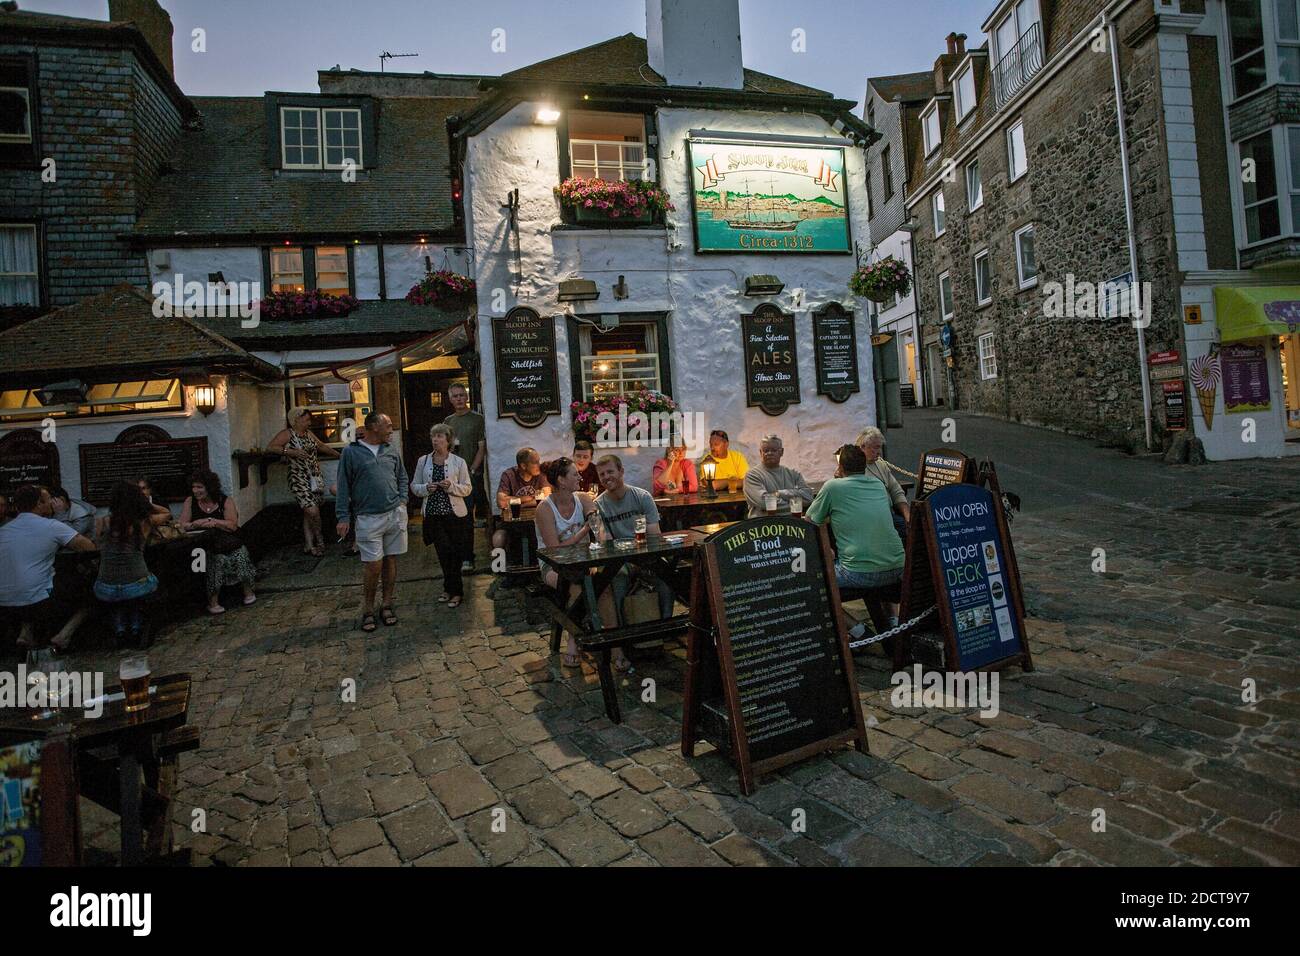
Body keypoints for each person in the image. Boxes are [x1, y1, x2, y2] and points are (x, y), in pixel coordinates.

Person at [807, 444, 906, 631]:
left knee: (811, 582)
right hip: (897, 567)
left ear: (840, 468)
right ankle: (892, 622)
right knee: (875, 553)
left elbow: (810, 521)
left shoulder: (832, 487)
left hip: (857, 573)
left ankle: (859, 632)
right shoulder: (877, 485)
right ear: (864, 466)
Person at [534, 457, 619, 669]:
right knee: (574, 586)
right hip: (553, 566)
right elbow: (554, 550)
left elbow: (597, 524)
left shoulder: (582, 498)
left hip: (583, 561)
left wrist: (600, 533)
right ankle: (573, 641)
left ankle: (617, 648)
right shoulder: (545, 509)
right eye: (574, 474)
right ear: (561, 481)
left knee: (603, 586)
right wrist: (584, 531)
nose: (579, 477)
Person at [335, 411, 409, 632]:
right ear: (374, 427)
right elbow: (343, 485)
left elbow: (402, 476)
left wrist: (402, 501)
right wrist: (342, 516)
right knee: (373, 565)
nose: (391, 429)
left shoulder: (391, 450)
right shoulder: (351, 452)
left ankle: (386, 604)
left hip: (394, 514)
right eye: (388, 425)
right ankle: (368, 608)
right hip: (368, 516)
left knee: (390, 561)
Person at [0, 485, 95, 651]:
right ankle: (64, 635)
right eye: (48, 500)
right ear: (39, 503)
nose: (52, 503)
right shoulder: (51, 526)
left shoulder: (5, 530)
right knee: (92, 591)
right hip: (38, 602)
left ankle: (26, 632)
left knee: (35, 578)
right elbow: (89, 547)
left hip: (5, 603)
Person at [594, 455, 674, 648]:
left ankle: (663, 630)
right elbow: (606, 543)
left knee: (667, 580)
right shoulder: (598, 505)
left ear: (621, 471)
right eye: (602, 474)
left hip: (646, 555)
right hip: (620, 559)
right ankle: (625, 636)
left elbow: (655, 535)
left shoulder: (642, 497)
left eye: (610, 471)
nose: (606, 477)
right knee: (617, 580)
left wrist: (644, 559)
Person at [411, 423, 473, 609]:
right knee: (443, 551)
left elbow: (467, 488)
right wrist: (425, 489)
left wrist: (451, 487)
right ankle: (451, 589)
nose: (436, 440)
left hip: (454, 514)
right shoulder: (423, 461)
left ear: (448, 440)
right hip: (433, 514)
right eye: (433, 436)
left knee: (454, 552)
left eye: (440, 436)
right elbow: (415, 486)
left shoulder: (458, 462)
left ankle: (454, 591)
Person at [181, 470, 257, 615]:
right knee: (215, 560)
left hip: (227, 542)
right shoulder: (190, 502)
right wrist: (195, 524)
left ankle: (248, 591)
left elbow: (232, 525)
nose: (195, 491)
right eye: (193, 487)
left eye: (199, 487)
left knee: (240, 554)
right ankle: (213, 602)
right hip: (205, 545)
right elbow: (182, 524)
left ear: (209, 487)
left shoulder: (225, 501)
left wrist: (213, 521)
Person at [94, 480, 160, 646]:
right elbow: (166, 513)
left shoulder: (102, 522)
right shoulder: (143, 523)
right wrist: (147, 504)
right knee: (145, 584)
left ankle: (120, 628)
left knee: (119, 595)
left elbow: (97, 545)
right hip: (136, 584)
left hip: (105, 587)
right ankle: (136, 627)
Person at [269, 406, 341, 556]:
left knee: (309, 513)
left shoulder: (308, 434)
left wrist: (340, 455)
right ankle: (320, 540)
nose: (309, 422)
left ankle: (309, 544)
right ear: (296, 419)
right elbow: (271, 447)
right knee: (312, 510)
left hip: (314, 477)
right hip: (298, 477)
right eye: (306, 419)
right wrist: (291, 452)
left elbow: (321, 446)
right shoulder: (287, 434)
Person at [444, 383, 487, 533]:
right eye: (455, 396)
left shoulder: (478, 419)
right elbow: (445, 449)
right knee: (454, 515)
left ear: (467, 396)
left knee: (468, 514)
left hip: (471, 474)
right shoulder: (448, 421)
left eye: (461, 395)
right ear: (451, 399)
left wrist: (472, 470)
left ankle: (468, 553)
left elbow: (482, 448)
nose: (459, 399)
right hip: (453, 475)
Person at [491, 447, 551, 552]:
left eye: (538, 461)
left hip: (537, 519)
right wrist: (528, 498)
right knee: (498, 538)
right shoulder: (509, 475)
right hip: (513, 521)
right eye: (535, 462)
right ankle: (502, 566)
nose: (539, 465)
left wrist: (520, 504)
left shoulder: (540, 473)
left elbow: (547, 497)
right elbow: (501, 502)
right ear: (523, 466)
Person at [742, 434, 814, 518]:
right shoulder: (752, 475)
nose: (769, 453)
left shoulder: (793, 473)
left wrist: (780, 493)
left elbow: (808, 497)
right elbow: (764, 502)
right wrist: (795, 504)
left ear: (782, 452)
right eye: (765, 450)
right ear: (760, 452)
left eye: (773, 450)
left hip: (792, 525)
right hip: (763, 526)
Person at [856, 426, 910, 532]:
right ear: (863, 447)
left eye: (880, 447)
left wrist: (907, 515)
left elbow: (896, 491)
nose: (879, 451)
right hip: (871, 518)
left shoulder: (881, 465)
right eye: (875, 447)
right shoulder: (854, 468)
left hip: (888, 514)